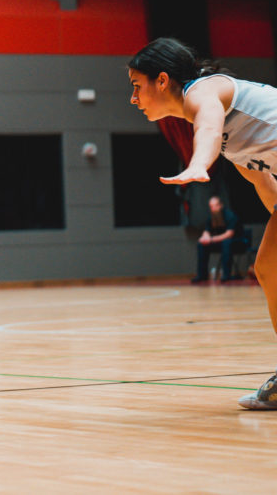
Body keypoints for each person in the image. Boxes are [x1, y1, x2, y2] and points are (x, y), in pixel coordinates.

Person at [128, 37, 277, 410]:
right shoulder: (233, 128)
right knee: (269, 267)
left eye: (136, 86)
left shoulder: (204, 93)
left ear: (162, 80)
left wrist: (197, 164)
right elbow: (262, 180)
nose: (133, 98)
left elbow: (207, 129)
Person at [193, 195, 243, 284]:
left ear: (220, 205)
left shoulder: (230, 215)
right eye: (211, 206)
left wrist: (211, 239)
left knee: (226, 242)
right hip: (221, 243)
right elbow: (207, 231)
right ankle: (202, 275)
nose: (213, 208)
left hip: (237, 242)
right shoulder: (211, 218)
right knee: (202, 244)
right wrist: (204, 238)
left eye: (215, 205)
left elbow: (229, 234)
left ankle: (226, 275)